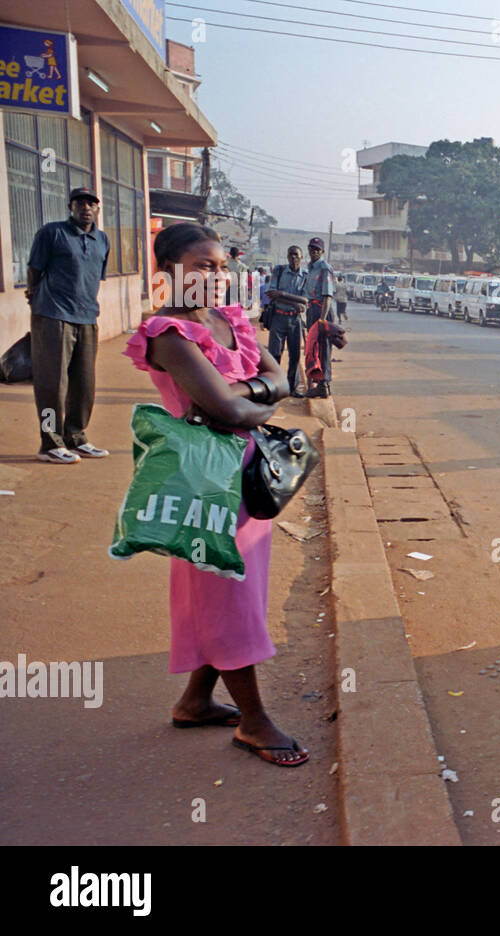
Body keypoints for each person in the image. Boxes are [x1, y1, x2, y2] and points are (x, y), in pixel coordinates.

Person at [123, 222, 308, 767]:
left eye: (222, 266)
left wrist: (242, 395)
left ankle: (196, 701)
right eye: (203, 266)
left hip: (250, 484)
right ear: (170, 272)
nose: (217, 276)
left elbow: (279, 386)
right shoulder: (167, 336)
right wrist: (249, 400)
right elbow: (227, 413)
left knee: (233, 591)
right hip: (206, 487)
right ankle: (254, 722)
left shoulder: (230, 322)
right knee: (225, 594)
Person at [25, 186, 112, 464]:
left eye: (91, 203)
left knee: (84, 383)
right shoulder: (52, 233)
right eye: (79, 203)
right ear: (70, 207)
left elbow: (94, 277)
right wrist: (35, 296)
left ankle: (76, 436)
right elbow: (34, 270)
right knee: (52, 384)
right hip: (53, 315)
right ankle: (50, 442)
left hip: (86, 316)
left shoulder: (102, 240)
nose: (86, 207)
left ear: (97, 209)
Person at [264, 246, 309, 397]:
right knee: (275, 354)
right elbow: (271, 293)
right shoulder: (279, 270)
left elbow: (305, 300)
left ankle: (292, 387)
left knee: (295, 355)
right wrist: (295, 302)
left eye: (296, 255)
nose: (293, 257)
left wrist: (282, 294)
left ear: (302, 257)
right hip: (278, 317)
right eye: (291, 254)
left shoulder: (306, 276)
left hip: (295, 320)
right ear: (287, 256)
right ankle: (274, 386)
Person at [303, 237, 335, 398]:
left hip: (322, 310)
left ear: (322, 252)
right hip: (312, 309)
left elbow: (327, 296)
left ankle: (324, 384)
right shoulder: (311, 268)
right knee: (313, 348)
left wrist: (322, 320)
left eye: (317, 249)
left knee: (323, 348)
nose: (314, 252)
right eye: (312, 249)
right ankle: (318, 382)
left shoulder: (324, 268)